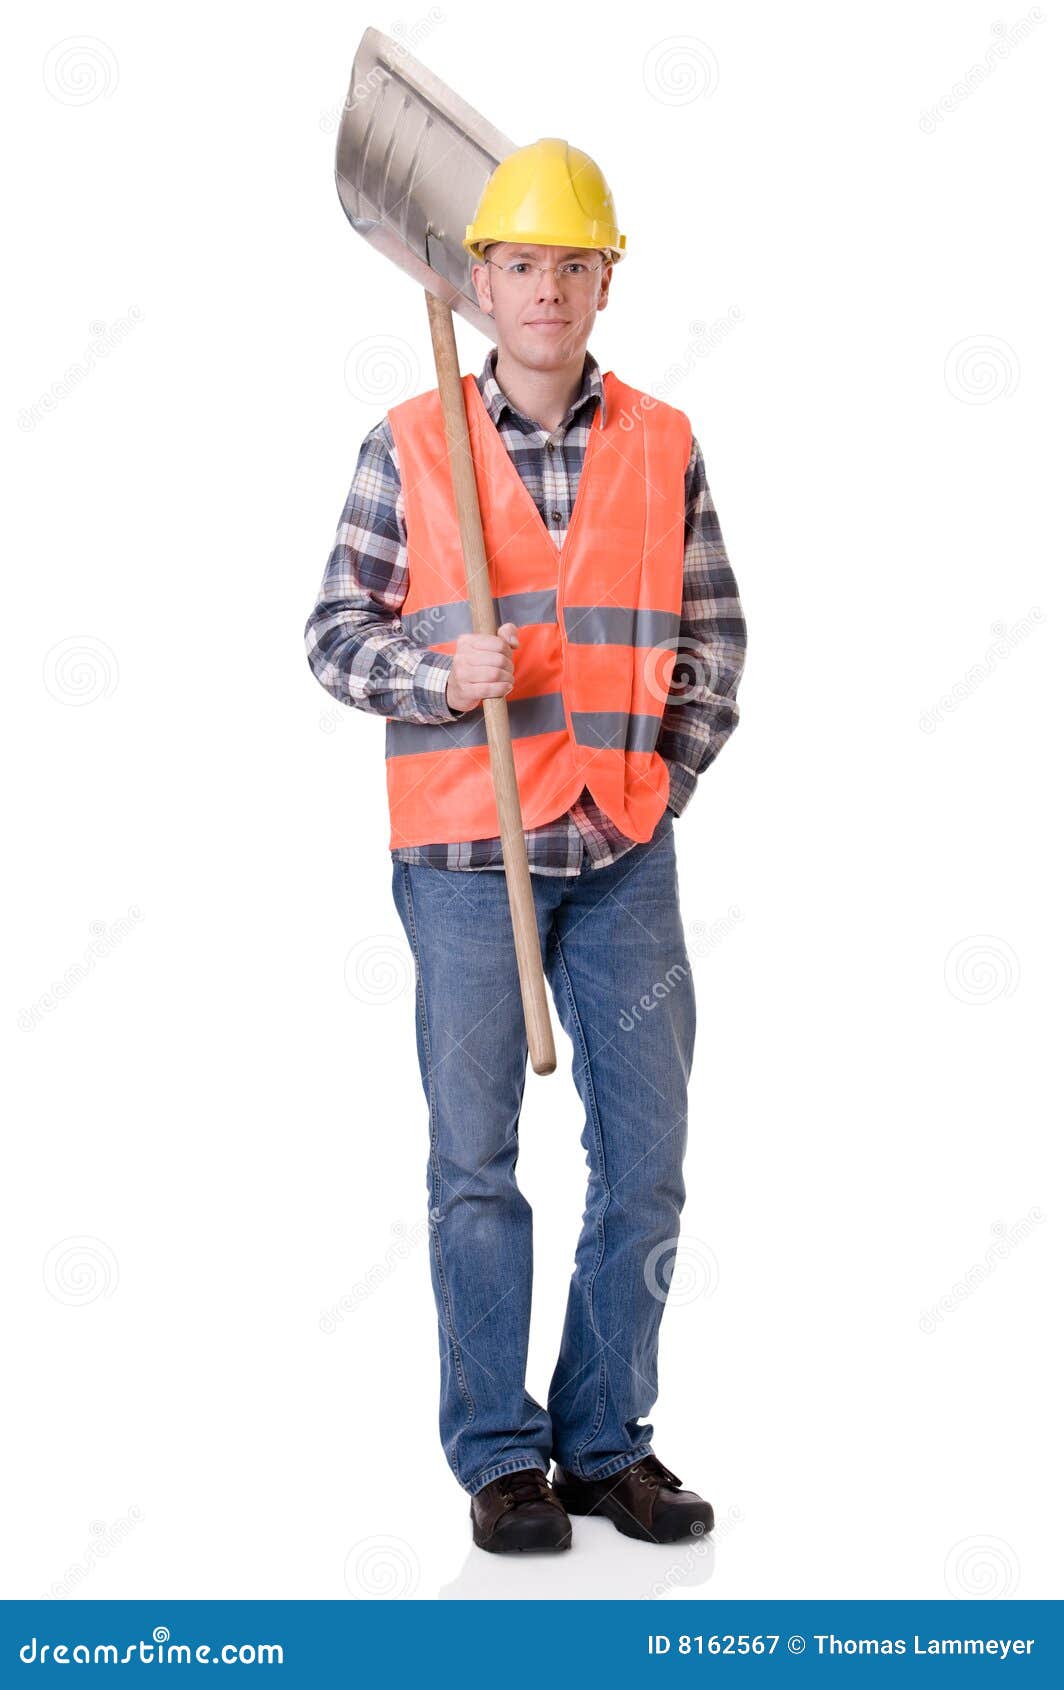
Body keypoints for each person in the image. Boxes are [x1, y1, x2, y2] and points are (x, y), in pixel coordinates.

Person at [304, 137, 747, 1554]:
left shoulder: (665, 441)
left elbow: (713, 642)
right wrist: (441, 678)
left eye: (570, 264)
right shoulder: (409, 440)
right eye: (518, 265)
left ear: (605, 282)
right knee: (476, 1163)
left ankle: (607, 1440)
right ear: (477, 282)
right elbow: (333, 632)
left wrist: (654, 788)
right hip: (465, 859)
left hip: (620, 855)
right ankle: (501, 1456)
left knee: (649, 1157)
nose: (544, 289)